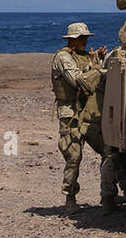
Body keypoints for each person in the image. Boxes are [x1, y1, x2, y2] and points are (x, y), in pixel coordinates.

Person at [51, 22, 120, 213]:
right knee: (74, 155)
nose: (85, 41)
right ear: (72, 40)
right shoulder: (62, 58)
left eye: (86, 38)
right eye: (82, 38)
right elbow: (77, 81)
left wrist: (96, 60)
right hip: (70, 113)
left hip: (87, 112)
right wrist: (95, 67)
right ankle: (70, 198)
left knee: (108, 150)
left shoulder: (82, 56)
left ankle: (108, 197)